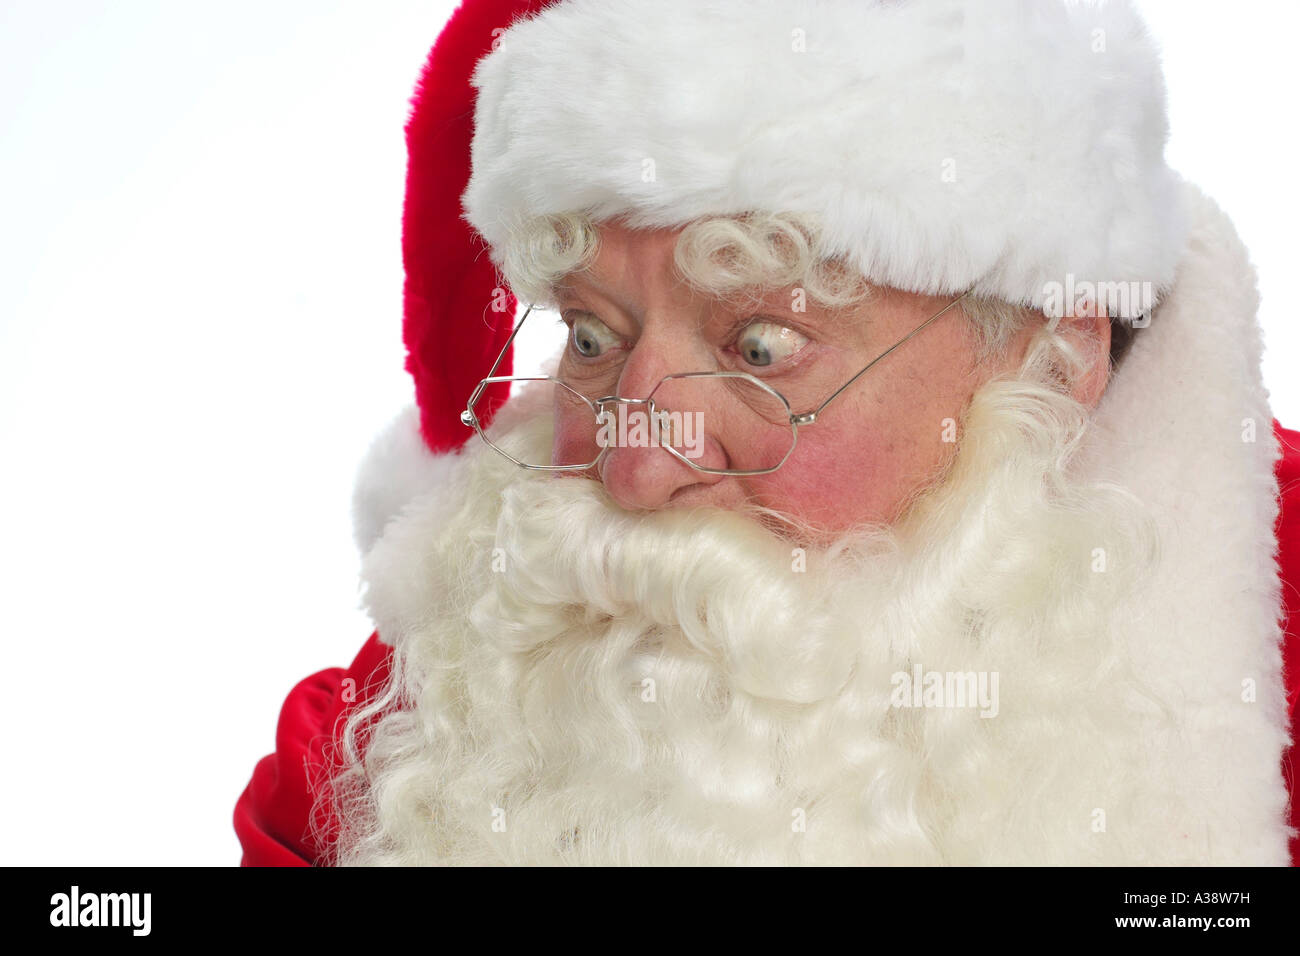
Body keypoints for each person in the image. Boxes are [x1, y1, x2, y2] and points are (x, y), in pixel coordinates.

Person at [234, 0, 1300, 866]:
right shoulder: (424, 705)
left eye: (759, 348)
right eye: (595, 335)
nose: (636, 467)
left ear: (1053, 363)